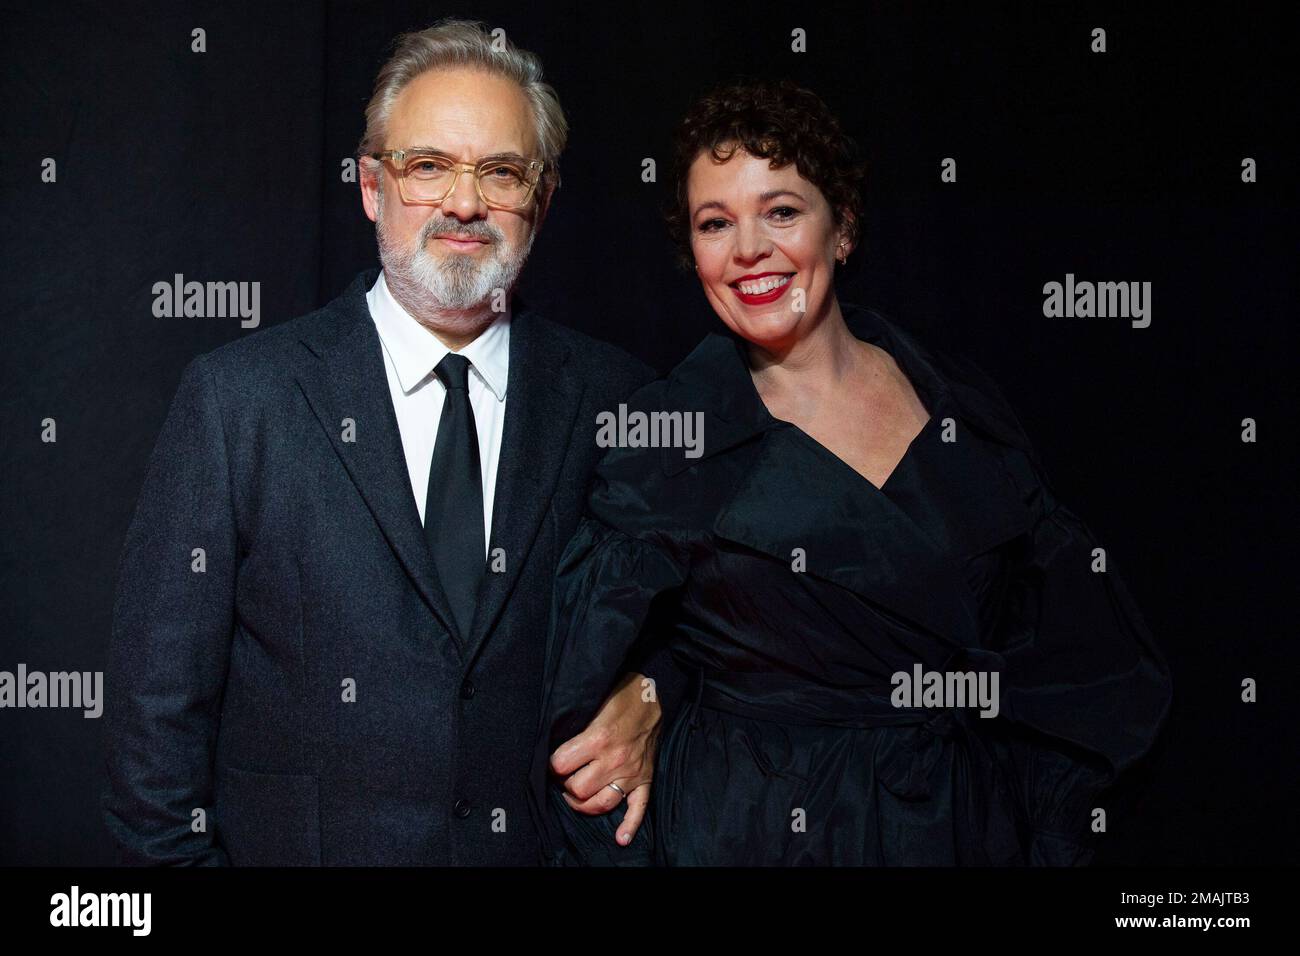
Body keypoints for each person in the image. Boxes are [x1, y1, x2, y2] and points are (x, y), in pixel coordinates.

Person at [531, 78, 1173, 865]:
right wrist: (649, 696)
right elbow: (582, 717)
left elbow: (1070, 646)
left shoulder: (962, 404)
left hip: (959, 829)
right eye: (714, 223)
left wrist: (1044, 825)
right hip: (760, 837)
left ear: (842, 228)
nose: (748, 250)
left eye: (782, 211)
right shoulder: (664, 443)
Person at [102, 18, 685, 866]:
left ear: (543, 200)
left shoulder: (617, 399)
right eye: (428, 166)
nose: (464, 202)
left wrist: (656, 693)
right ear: (372, 187)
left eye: (501, 171)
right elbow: (154, 722)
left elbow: (706, 628)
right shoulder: (240, 400)